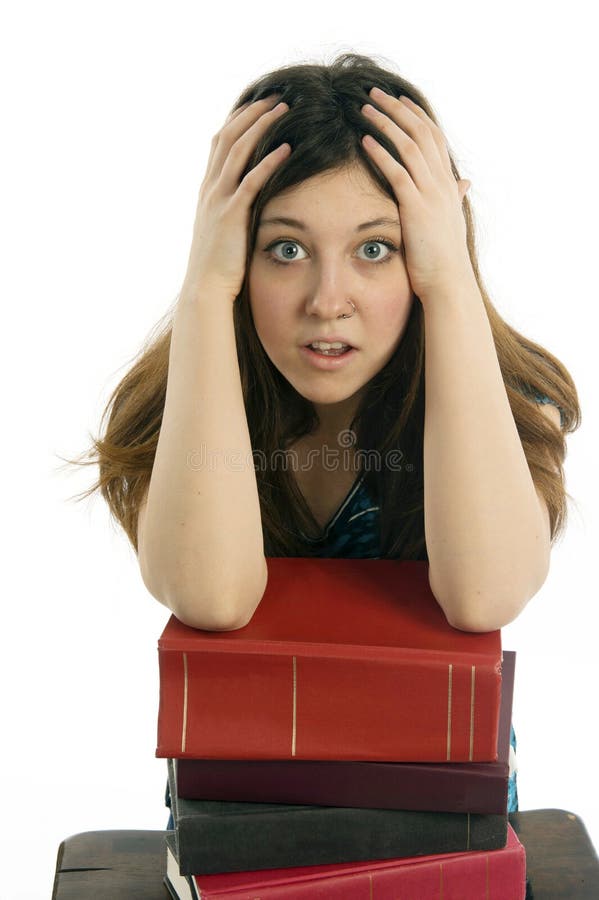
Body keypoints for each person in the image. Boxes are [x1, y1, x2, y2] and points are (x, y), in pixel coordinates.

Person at [64, 53, 580, 821]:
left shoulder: (501, 396)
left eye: (376, 249)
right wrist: (206, 292)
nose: (327, 301)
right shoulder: (180, 404)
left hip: (440, 822)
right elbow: (212, 597)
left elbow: (484, 596)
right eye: (285, 249)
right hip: (240, 826)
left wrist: (449, 286)